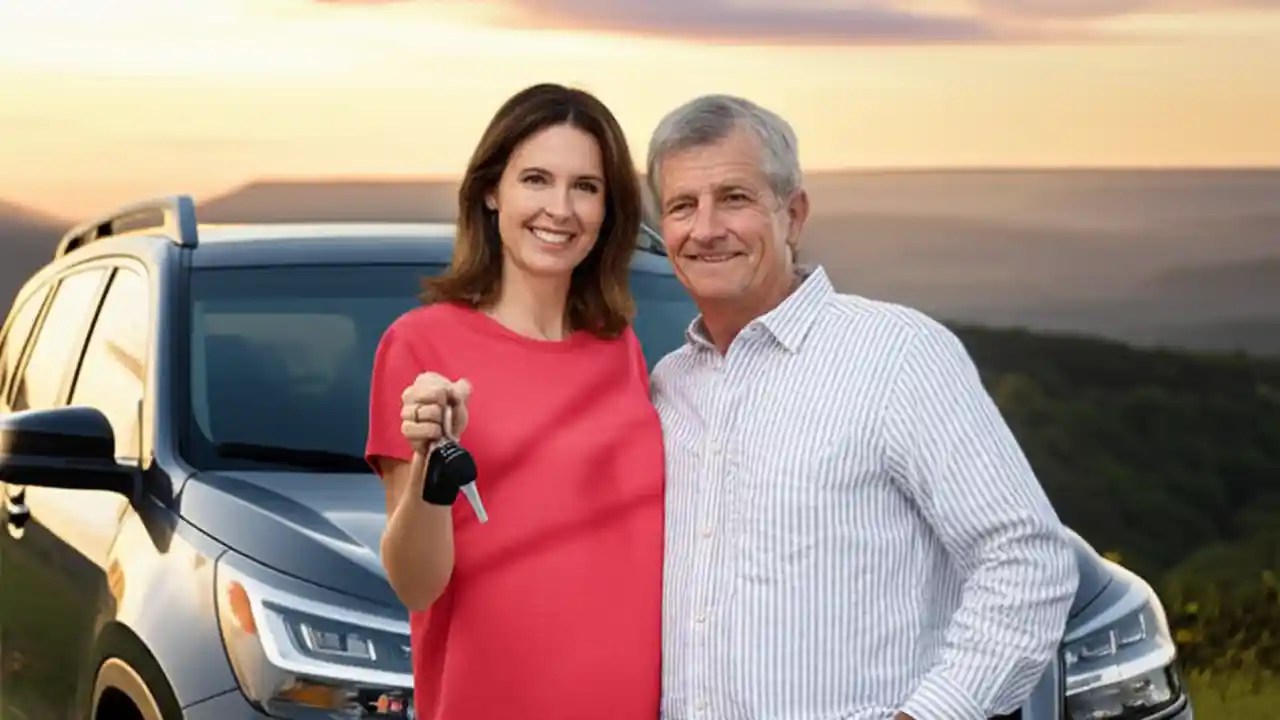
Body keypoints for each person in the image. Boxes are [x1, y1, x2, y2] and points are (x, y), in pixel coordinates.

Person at [643, 95, 1080, 719]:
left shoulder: (899, 355)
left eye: (734, 198)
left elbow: (1026, 560)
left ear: (792, 215)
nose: (706, 228)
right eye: (683, 205)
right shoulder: (670, 387)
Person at [366, 83, 663, 720]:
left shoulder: (623, 350)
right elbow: (416, 584)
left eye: (586, 187)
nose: (560, 208)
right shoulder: (420, 346)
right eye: (536, 179)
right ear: (491, 191)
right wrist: (429, 464)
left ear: (609, 210)